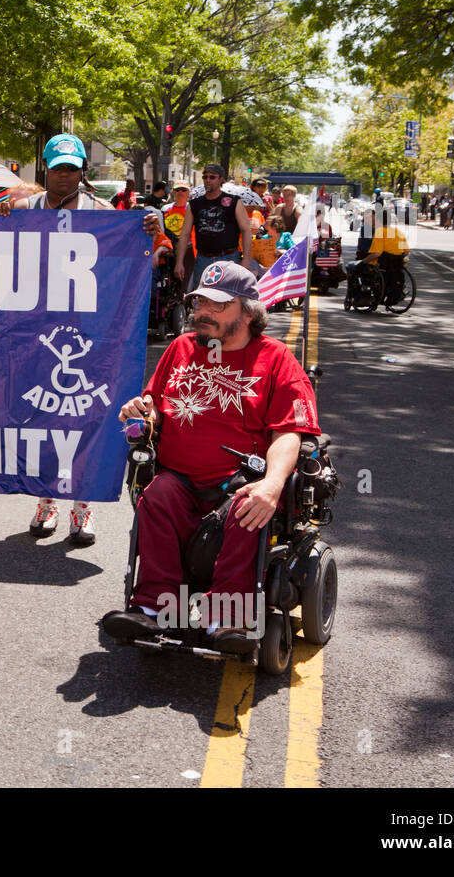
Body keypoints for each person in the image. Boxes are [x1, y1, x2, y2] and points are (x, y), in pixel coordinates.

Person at [100, 261, 321, 652]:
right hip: (180, 478)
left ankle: (228, 620)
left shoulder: (276, 359)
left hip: (237, 482)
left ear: (248, 311)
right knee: (157, 495)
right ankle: (153, 609)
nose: (202, 312)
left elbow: (290, 431)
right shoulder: (181, 348)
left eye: (216, 306)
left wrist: (271, 485)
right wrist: (140, 412)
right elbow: (155, 407)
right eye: (200, 302)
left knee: (247, 504)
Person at [0, 133, 112, 545]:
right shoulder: (23, 207)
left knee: (84, 418)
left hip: (87, 334)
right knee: (39, 417)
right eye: (58, 167)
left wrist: (148, 231)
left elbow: (131, 262)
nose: (65, 176)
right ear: (45, 168)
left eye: (73, 168)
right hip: (34, 332)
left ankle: (83, 507)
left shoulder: (103, 210)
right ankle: (46, 501)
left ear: (83, 170)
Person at [175, 163, 254, 291]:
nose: (208, 180)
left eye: (212, 177)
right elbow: (184, 235)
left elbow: (246, 230)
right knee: (201, 298)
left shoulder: (234, 201)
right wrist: (179, 263)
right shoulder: (194, 204)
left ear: (221, 179)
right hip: (203, 259)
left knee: (228, 298)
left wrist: (246, 260)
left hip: (229, 259)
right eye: (205, 177)